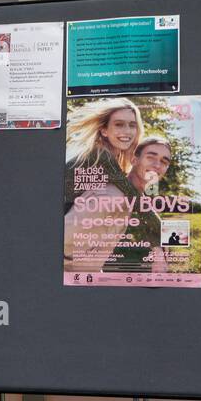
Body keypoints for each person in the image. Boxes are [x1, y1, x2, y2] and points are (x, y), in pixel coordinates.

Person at [63, 97, 142, 276]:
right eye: (119, 124)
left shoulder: (106, 156)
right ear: (104, 130)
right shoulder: (101, 155)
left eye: (132, 125)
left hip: (72, 248)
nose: (127, 131)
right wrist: (161, 239)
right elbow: (135, 198)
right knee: (118, 197)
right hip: (59, 244)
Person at [109, 136, 173, 274]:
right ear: (134, 159)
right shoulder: (112, 193)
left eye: (164, 161)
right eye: (151, 157)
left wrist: (159, 253)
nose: (157, 165)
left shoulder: (144, 199)